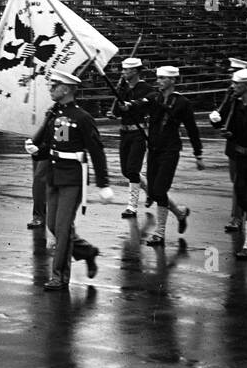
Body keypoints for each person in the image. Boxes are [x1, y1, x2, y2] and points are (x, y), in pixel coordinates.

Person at [26, 71, 113, 290]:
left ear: (66, 89)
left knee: (63, 228)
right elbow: (51, 145)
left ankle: (60, 277)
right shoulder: (55, 114)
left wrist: (103, 184)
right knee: (53, 225)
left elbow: (97, 151)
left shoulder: (82, 117)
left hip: (73, 178)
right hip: (54, 176)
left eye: (55, 85)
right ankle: (86, 251)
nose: (51, 88)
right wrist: (37, 150)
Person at [141, 65, 203, 247]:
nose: (158, 81)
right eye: (158, 77)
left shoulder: (182, 103)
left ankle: (159, 234)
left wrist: (198, 154)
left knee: (159, 190)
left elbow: (192, 129)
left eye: (162, 78)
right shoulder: (154, 98)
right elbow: (139, 105)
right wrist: (126, 105)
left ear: (172, 80)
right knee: (154, 190)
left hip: (170, 150)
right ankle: (180, 213)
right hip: (153, 149)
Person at [210, 66, 247, 260]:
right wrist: (217, 122)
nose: (233, 87)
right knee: (242, 196)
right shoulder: (235, 104)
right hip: (241, 157)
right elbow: (224, 123)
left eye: (236, 84)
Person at [111, 57, 153, 218]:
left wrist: (131, 104)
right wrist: (115, 110)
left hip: (138, 133)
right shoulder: (122, 88)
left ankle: (132, 206)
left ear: (135, 71)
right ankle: (149, 191)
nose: (123, 72)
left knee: (133, 169)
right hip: (124, 132)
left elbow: (147, 101)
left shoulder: (146, 88)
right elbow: (117, 112)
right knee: (125, 170)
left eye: (126, 70)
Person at [218, 57, 247, 234]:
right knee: (237, 181)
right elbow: (223, 116)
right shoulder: (230, 94)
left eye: (233, 76)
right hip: (234, 145)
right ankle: (238, 215)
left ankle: (238, 216)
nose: (230, 80)